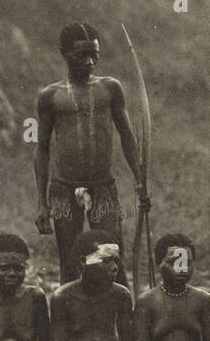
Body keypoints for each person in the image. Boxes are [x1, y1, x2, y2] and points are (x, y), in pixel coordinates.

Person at [34, 22, 150, 285]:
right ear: (64, 53)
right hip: (63, 190)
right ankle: (70, 323)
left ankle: (122, 321)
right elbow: (41, 148)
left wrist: (139, 179)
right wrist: (42, 202)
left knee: (112, 256)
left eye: (94, 55)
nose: (89, 62)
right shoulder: (50, 96)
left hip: (102, 188)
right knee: (70, 262)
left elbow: (127, 135)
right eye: (81, 55)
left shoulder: (109, 89)